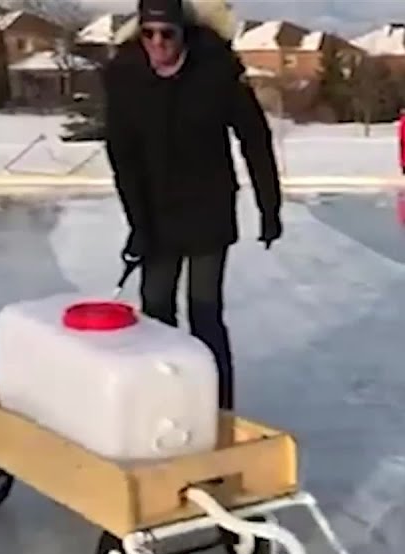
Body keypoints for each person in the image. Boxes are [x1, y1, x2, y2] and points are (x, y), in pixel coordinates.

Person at [102, 0, 282, 411]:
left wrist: (269, 207)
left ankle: (218, 412)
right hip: (156, 210)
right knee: (155, 311)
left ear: (184, 34)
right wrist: (138, 224)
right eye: (148, 34)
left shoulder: (217, 70)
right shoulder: (125, 75)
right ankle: (163, 408)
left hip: (208, 208)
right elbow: (122, 156)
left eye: (168, 34)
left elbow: (254, 137)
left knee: (204, 311)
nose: (158, 43)